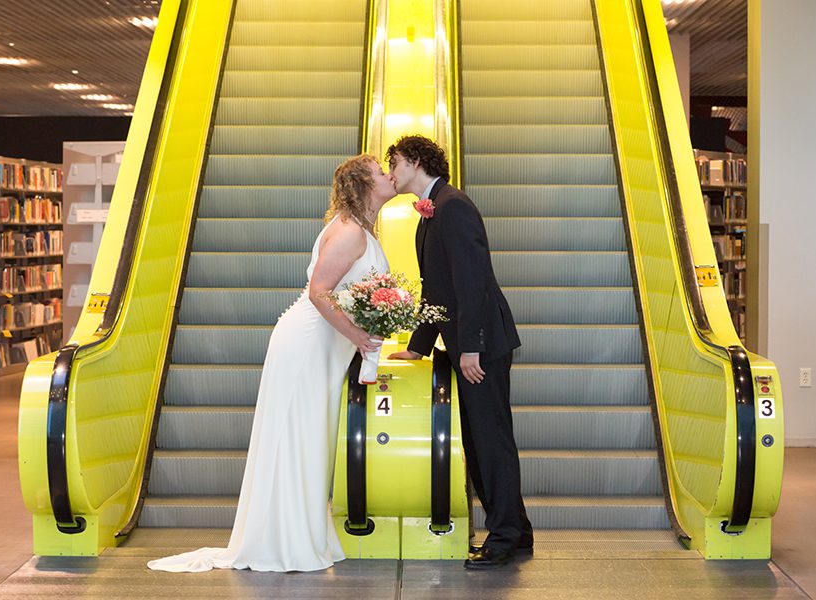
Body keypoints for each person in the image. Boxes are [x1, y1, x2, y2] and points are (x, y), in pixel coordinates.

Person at [148, 154, 394, 573]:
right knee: (295, 440)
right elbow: (319, 292)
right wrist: (357, 336)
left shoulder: (360, 229)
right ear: (364, 186)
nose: (390, 176)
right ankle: (283, 541)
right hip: (306, 347)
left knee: (309, 442)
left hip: (322, 349)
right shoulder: (351, 233)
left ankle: (301, 534)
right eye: (380, 172)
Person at [385, 135, 533, 569]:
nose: (391, 172)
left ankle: (503, 537)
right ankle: (517, 529)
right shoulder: (432, 213)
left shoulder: (453, 206)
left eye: (393, 163)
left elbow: (473, 282)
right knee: (480, 439)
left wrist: (471, 347)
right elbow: (438, 290)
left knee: (490, 442)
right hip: (466, 343)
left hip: (480, 345)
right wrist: (418, 347)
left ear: (414, 161)